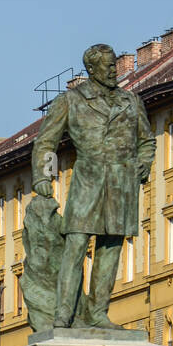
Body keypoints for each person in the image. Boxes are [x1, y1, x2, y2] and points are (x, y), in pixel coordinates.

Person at [31, 43, 155, 329]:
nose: (114, 70)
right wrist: (43, 177)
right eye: (108, 66)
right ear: (91, 69)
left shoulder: (131, 101)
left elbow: (146, 140)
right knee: (75, 246)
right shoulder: (71, 100)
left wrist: (143, 164)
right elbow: (46, 141)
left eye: (114, 65)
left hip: (122, 183)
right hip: (88, 181)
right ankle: (64, 313)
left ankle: (99, 312)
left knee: (111, 248)